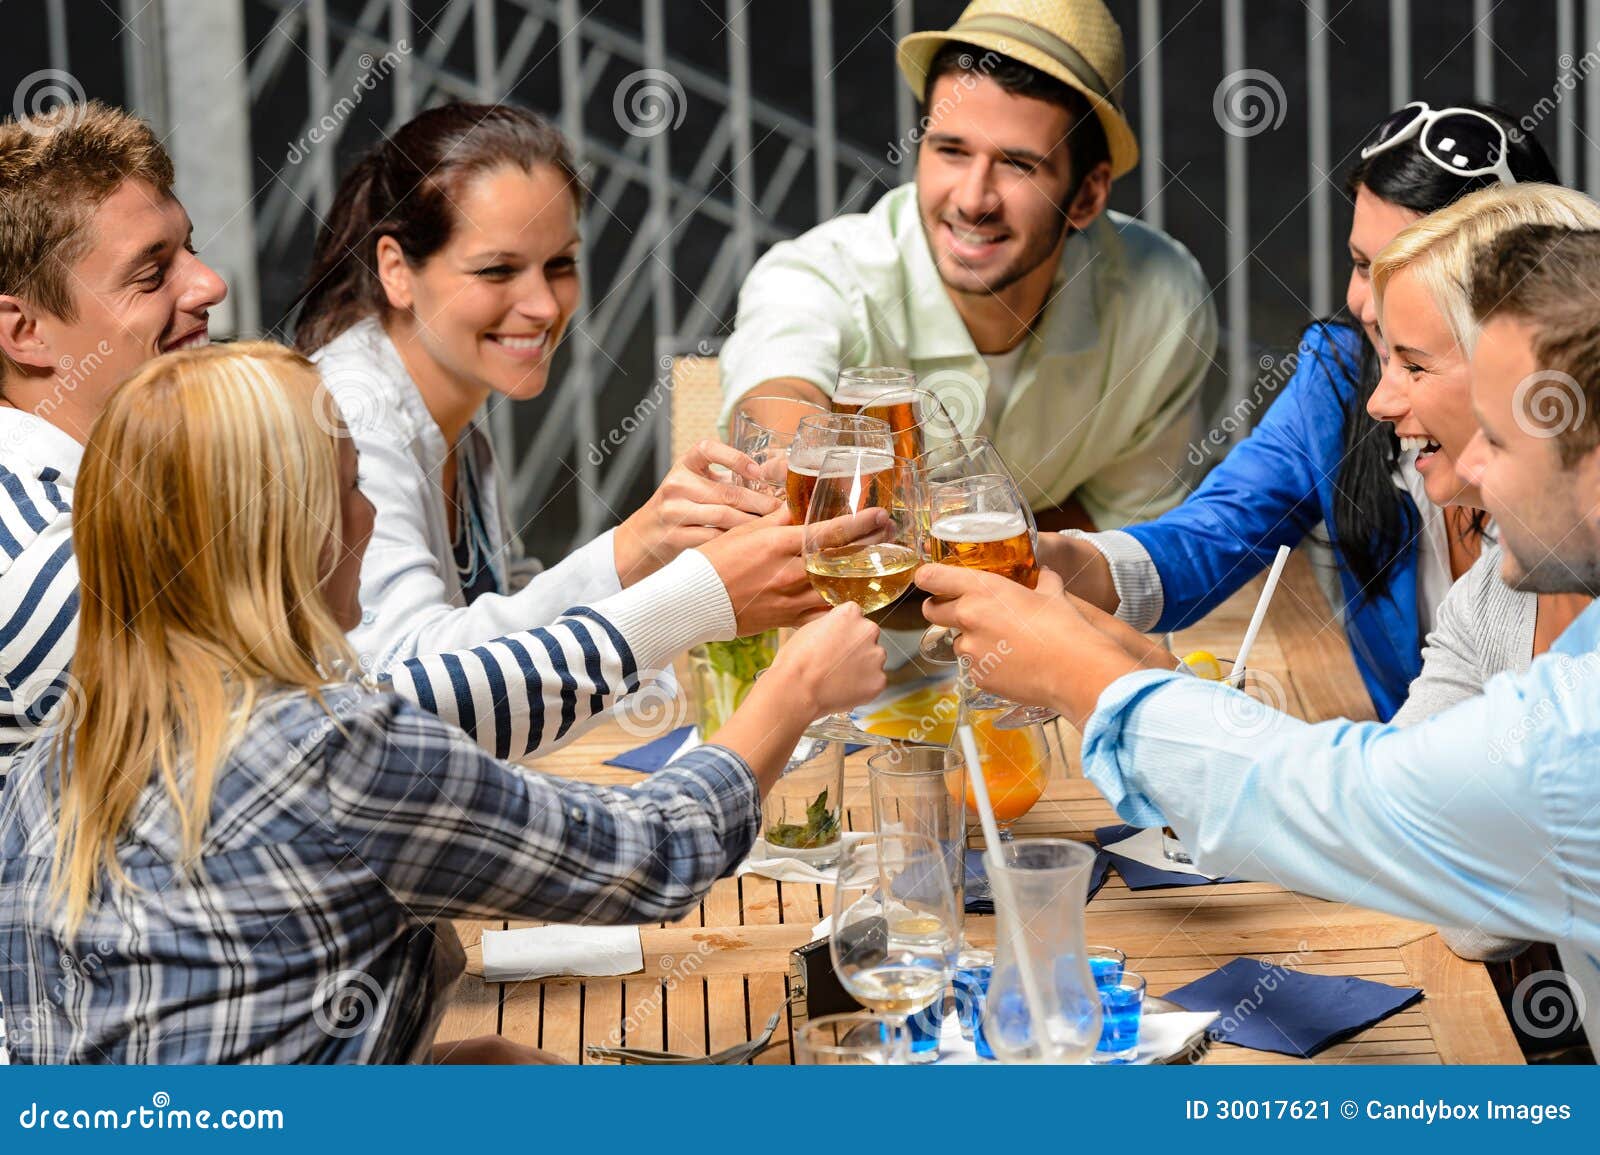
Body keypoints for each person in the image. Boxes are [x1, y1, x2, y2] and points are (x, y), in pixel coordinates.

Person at [0, 342, 888, 1064]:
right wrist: (794, 690)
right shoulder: (336, 749)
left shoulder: (47, 762)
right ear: (286, 532)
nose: (368, 519)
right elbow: (650, 858)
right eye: (351, 486)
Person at [914, 222, 1600, 1048]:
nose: (1474, 468)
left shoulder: (1579, 719)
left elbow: (1383, 822)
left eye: (1498, 438)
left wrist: (1086, 678)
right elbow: (1407, 823)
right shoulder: (1513, 596)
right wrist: (1129, 665)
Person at [1038, 101, 1560, 721]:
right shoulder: (1341, 378)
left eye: (1409, 273)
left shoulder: (1570, 493)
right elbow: (1216, 533)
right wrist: (1060, 561)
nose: (1372, 307)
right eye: (1363, 266)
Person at [293, 102, 818, 685]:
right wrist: (638, 548)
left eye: (561, 264)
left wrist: (671, 570)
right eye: (497, 270)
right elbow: (405, 677)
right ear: (395, 269)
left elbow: (506, 611)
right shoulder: (351, 413)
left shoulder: (453, 410)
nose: (544, 306)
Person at [718, 0, 1216, 533]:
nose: (973, 199)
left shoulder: (1161, 297)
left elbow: (1125, 525)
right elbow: (780, 386)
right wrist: (797, 460)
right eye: (951, 151)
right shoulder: (823, 272)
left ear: (1088, 196)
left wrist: (927, 550)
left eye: (1018, 165)